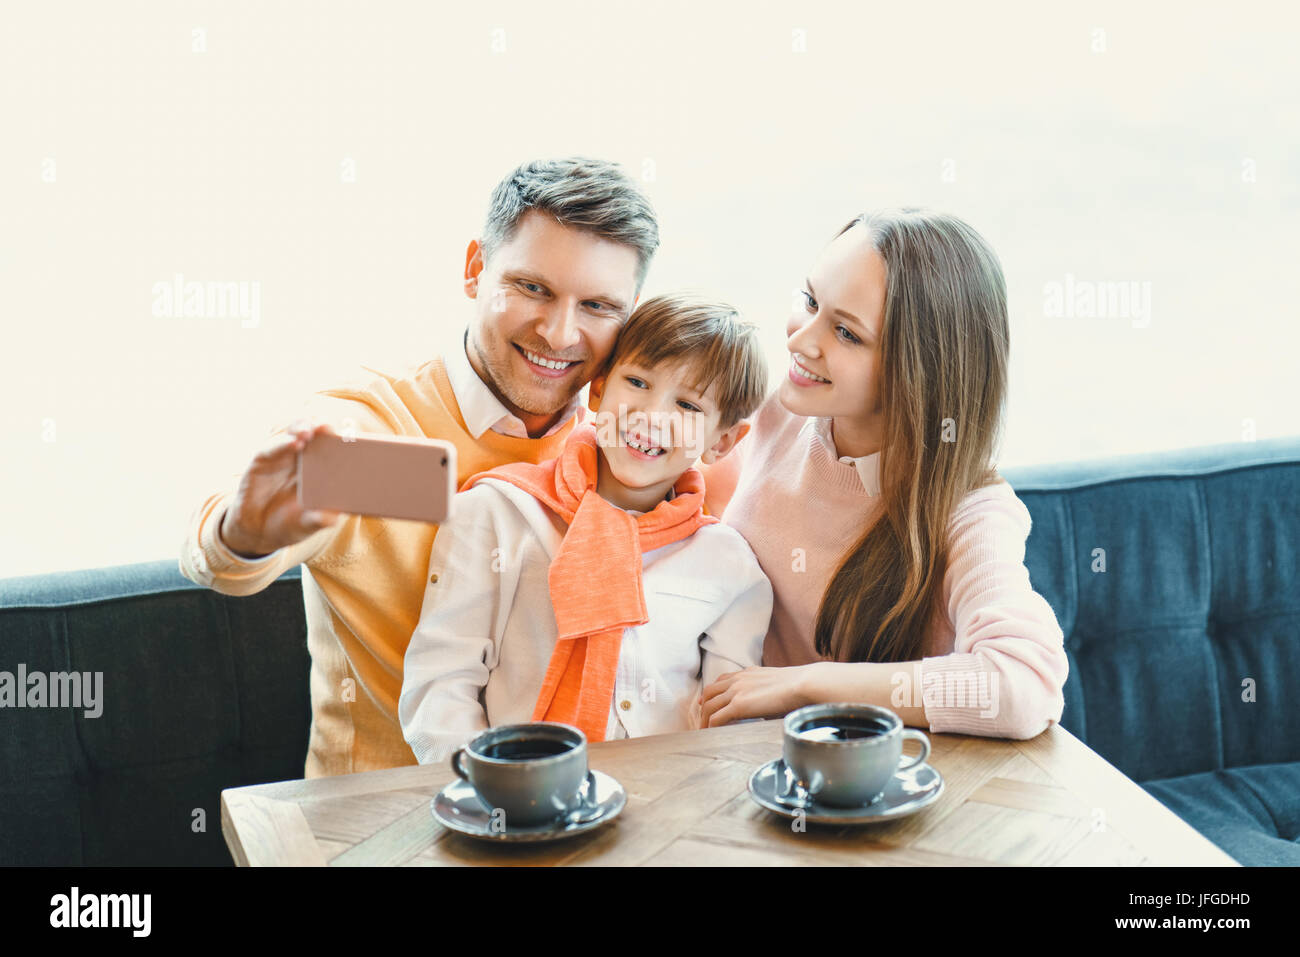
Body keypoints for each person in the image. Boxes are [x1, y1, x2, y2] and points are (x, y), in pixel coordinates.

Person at [178, 157, 660, 777]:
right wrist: (243, 533)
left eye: (596, 305)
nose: (559, 332)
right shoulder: (387, 437)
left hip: (565, 809)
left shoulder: (623, 452)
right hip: (384, 821)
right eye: (533, 288)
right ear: (475, 269)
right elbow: (228, 551)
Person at [698, 208, 1069, 740]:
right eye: (809, 302)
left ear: (919, 366)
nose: (801, 340)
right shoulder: (777, 413)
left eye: (846, 332)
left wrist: (809, 684)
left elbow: (1023, 686)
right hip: (722, 753)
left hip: (853, 784)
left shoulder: (970, 511)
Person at [399, 294, 772, 763]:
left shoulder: (727, 561)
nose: (652, 416)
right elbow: (441, 679)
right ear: (597, 391)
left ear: (723, 441)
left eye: (688, 405)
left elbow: (731, 715)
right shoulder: (498, 512)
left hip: (667, 802)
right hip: (518, 798)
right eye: (637, 382)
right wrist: (485, 789)